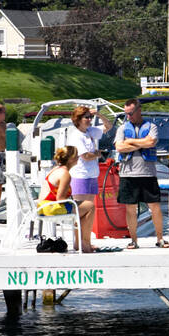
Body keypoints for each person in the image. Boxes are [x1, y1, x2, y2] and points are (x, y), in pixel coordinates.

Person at [114, 97, 165, 248]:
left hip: (147, 173)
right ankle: (134, 240)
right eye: (126, 114)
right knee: (130, 209)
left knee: (154, 207)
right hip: (127, 174)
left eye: (130, 113)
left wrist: (130, 142)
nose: (128, 117)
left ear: (139, 110)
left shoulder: (151, 126)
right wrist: (139, 143)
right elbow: (119, 148)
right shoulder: (122, 128)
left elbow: (151, 142)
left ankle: (160, 239)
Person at [65, 105, 102, 253]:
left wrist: (99, 114)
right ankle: (80, 243)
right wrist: (98, 154)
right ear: (78, 119)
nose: (89, 119)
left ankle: (85, 241)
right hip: (80, 176)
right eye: (86, 117)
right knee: (80, 212)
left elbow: (109, 126)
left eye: (90, 117)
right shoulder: (76, 135)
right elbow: (85, 156)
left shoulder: (90, 132)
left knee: (89, 213)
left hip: (92, 175)